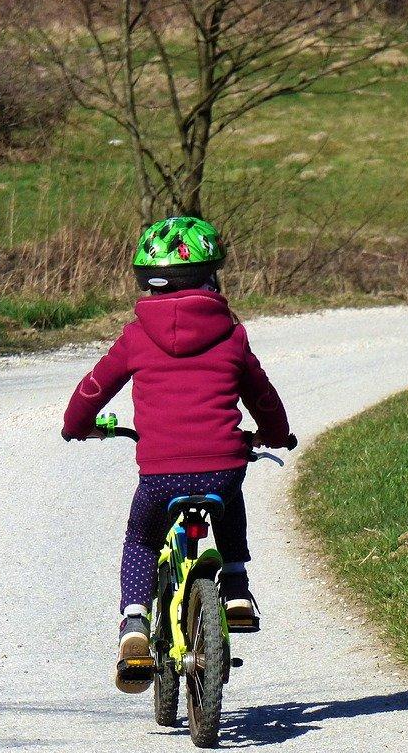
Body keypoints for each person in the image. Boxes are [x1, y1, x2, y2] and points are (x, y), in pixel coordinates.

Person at [61, 216, 294, 693]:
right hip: (222, 467)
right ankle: (236, 587)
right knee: (229, 495)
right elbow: (263, 396)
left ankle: (134, 624)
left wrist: (77, 426)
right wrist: (274, 434)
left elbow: (91, 391)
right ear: (211, 278)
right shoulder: (232, 336)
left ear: (147, 281)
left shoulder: (135, 337)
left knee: (142, 539)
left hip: (160, 476)